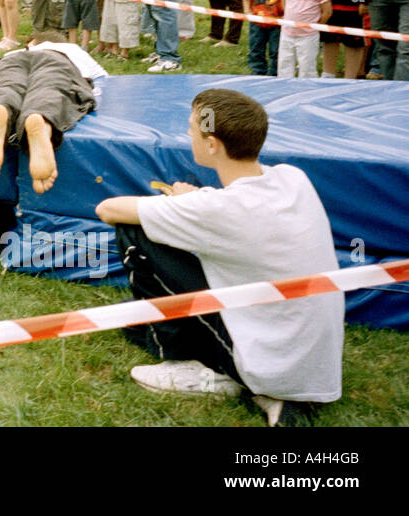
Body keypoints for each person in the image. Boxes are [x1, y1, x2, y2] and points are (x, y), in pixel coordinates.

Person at [96, 89, 342, 427]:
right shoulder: (292, 178)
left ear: (212, 144)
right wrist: (194, 201)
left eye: (191, 128)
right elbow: (238, 210)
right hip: (311, 357)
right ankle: (262, 383)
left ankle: (190, 365)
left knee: (135, 232)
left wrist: (181, 205)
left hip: (269, 363)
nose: (186, 134)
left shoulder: (216, 209)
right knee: (131, 321)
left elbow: (108, 210)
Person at [0, 30, 105, 193]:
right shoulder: (72, 50)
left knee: (5, 87)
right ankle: (42, 119)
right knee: (50, 89)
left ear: (32, 43)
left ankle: (0, 107)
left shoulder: (17, 52)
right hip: (56, 61)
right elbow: (102, 77)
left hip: (10, 62)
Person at [276, 0, 330, 79]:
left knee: (307, 65)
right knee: (284, 63)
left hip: (307, 36)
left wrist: (316, 26)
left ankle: (307, 88)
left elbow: (327, 11)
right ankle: (284, 85)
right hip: (287, 33)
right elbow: (284, 5)